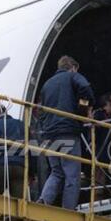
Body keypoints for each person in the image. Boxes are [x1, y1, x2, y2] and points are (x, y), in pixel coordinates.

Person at [38, 55, 96, 210]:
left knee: (56, 172)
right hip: (67, 131)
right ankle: (68, 210)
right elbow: (85, 90)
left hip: (50, 134)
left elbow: (41, 111)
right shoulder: (73, 76)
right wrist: (83, 111)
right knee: (72, 174)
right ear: (73, 67)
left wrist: (45, 128)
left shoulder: (47, 84)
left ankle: (44, 200)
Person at [91, 93, 111, 186]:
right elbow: (94, 128)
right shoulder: (98, 114)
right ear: (108, 103)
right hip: (101, 151)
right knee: (100, 177)